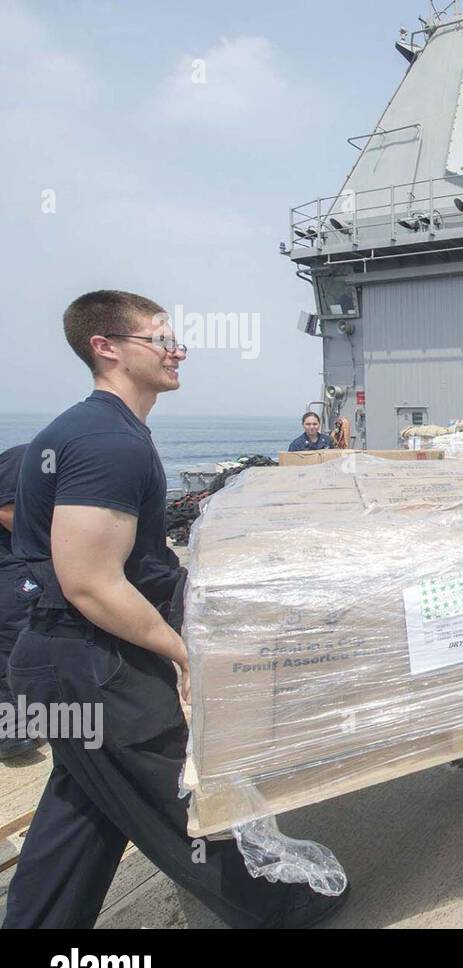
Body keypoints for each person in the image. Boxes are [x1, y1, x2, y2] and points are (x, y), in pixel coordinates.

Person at [3, 290, 346, 929]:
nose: (176, 350)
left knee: (84, 812)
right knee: (179, 799)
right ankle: (277, 907)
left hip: (68, 659)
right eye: (159, 339)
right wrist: (182, 650)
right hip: (95, 664)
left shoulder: (100, 431)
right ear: (105, 348)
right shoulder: (107, 440)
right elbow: (90, 583)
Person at [0, 444, 40, 759]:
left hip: (23, 558)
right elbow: (8, 511)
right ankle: (9, 732)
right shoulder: (24, 460)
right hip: (12, 562)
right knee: (13, 638)